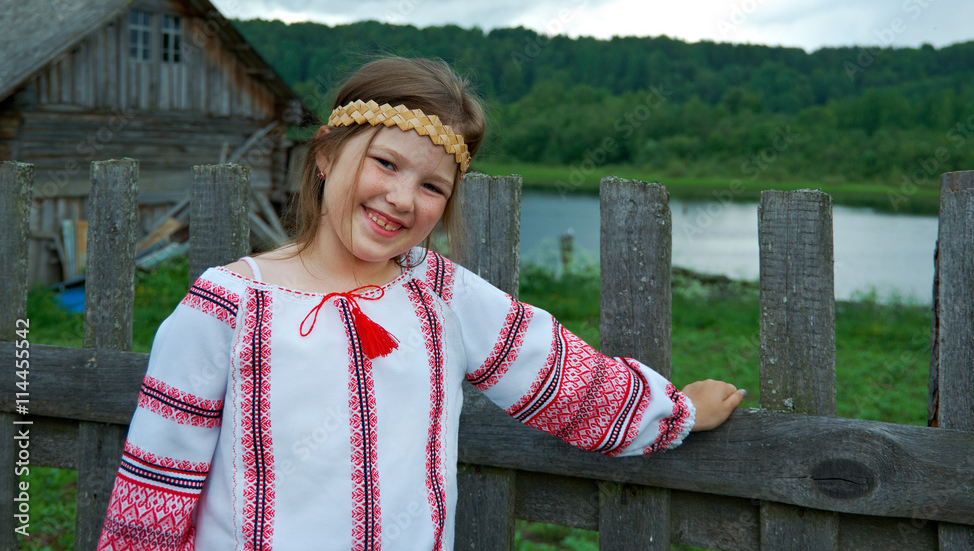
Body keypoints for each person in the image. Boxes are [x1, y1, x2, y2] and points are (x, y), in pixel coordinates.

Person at [97, 56, 744, 551]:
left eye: (431, 184)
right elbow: (158, 477)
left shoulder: (441, 294)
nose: (402, 198)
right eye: (385, 163)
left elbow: (558, 373)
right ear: (326, 155)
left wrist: (675, 411)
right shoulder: (228, 305)